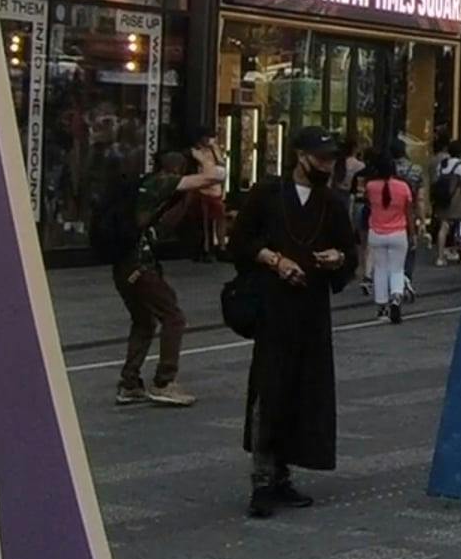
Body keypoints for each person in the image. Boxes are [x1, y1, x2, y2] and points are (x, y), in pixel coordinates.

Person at [230, 130, 355, 518]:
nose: (326, 165)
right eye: (320, 158)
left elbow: (349, 253)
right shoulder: (268, 195)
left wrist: (338, 259)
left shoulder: (332, 203)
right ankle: (263, 479)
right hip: (273, 310)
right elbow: (238, 243)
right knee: (270, 387)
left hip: (312, 312)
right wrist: (275, 260)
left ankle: (282, 475)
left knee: (305, 390)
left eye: (331, 159)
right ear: (300, 156)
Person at [110, 134, 219, 406]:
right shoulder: (162, 183)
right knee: (173, 317)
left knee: (144, 321)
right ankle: (164, 381)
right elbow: (215, 178)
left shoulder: (149, 186)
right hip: (140, 265)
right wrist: (205, 158)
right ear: (176, 169)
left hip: (125, 265)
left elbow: (213, 191)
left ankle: (130, 382)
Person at [358, 154, 418, 326]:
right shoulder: (403, 187)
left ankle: (381, 305)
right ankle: (396, 297)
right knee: (397, 269)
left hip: (377, 232)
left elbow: (369, 204)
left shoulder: (371, 186)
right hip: (398, 232)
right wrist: (412, 234)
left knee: (380, 269)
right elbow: (409, 213)